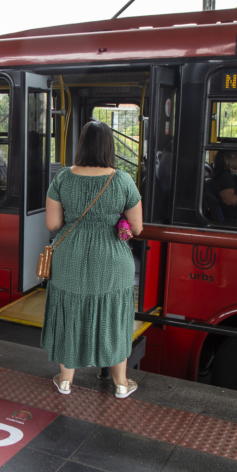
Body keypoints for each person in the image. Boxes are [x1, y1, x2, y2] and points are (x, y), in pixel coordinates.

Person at [42, 121, 143, 399]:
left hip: (70, 255)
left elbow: (53, 224)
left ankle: (65, 380)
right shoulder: (122, 179)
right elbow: (136, 228)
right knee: (113, 316)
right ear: (109, 146)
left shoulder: (63, 178)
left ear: (82, 145)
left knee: (70, 311)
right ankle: (121, 384)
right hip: (112, 257)